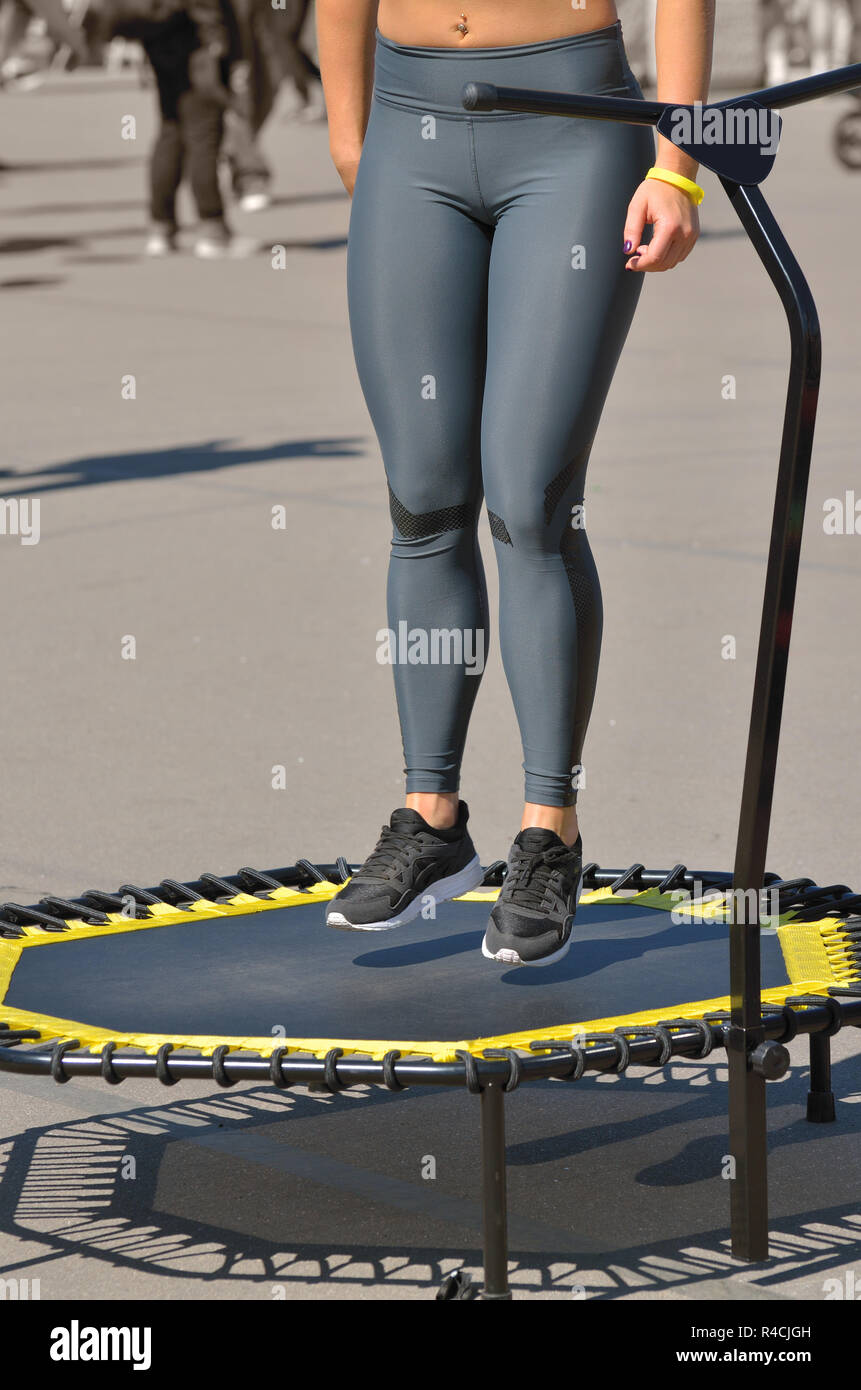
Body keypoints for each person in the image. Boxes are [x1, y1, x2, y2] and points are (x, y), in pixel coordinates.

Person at [318, 0, 714, 965]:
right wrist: (347, 136)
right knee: (423, 496)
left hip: (572, 127)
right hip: (409, 127)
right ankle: (431, 815)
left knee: (530, 496)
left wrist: (676, 165)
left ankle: (550, 829)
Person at [100, 0, 243, 257]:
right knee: (203, 133)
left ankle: (161, 227)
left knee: (171, 129)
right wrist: (221, 44)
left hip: (159, 35)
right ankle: (212, 227)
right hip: (194, 37)